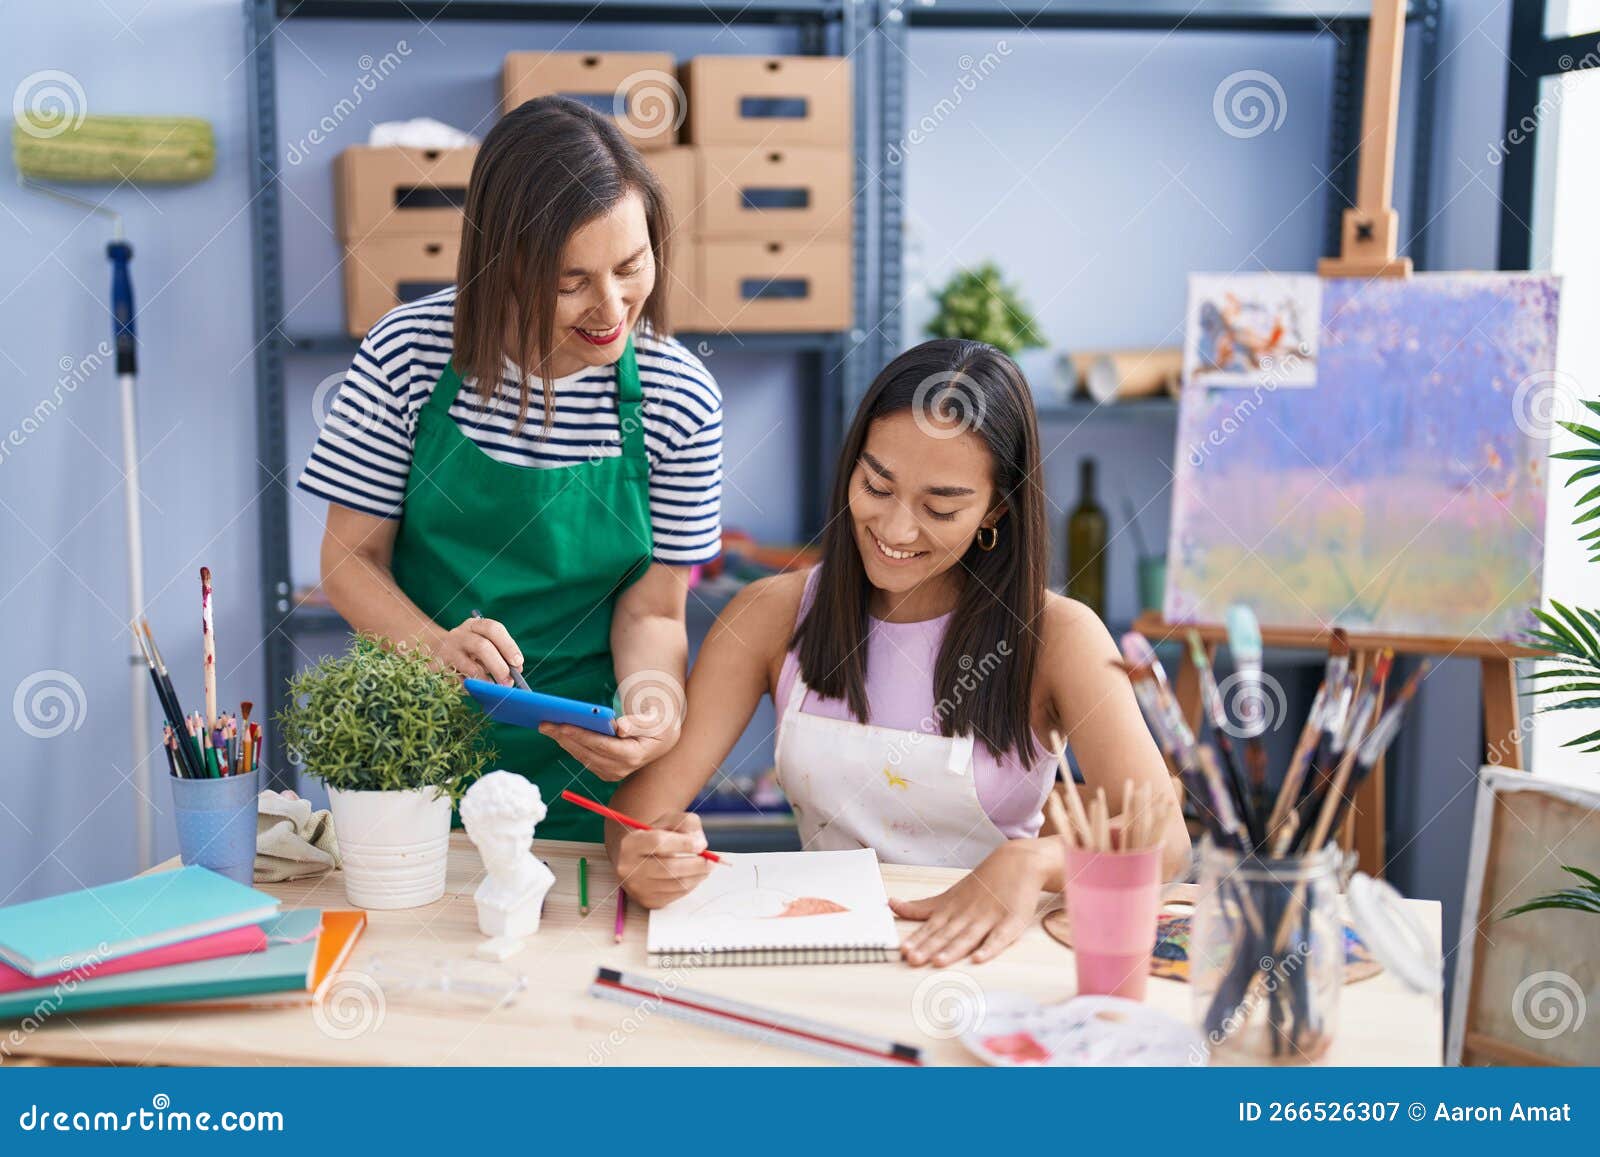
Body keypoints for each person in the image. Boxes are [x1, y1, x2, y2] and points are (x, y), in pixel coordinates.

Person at [597, 338, 1189, 967]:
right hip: (825, 953)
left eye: (941, 507)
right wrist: (647, 855)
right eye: (877, 487)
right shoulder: (769, 615)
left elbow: (1168, 842)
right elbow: (636, 817)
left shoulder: (1060, 636)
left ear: (997, 508)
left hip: (986, 959)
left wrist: (1034, 861)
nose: (897, 530)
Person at [297, 97, 721, 839]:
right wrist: (436, 648)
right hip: (418, 746)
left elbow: (653, 610)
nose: (611, 308)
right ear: (502, 264)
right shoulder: (407, 355)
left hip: (585, 768)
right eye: (569, 282)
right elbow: (349, 561)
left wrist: (654, 709)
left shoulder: (679, 397)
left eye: (631, 266)